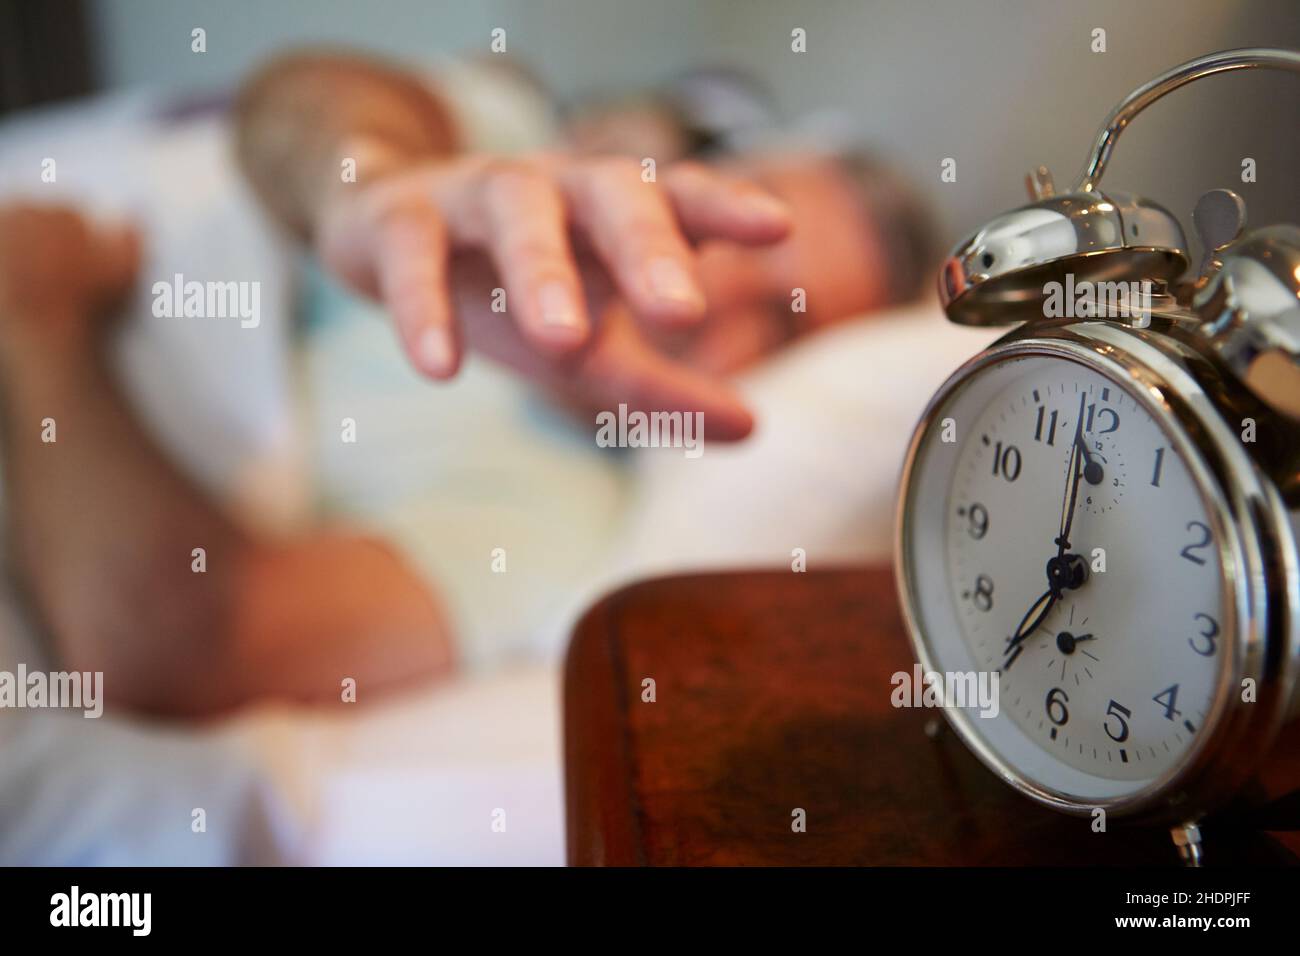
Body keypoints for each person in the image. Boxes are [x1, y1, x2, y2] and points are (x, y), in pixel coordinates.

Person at [0, 49, 934, 718]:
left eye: (785, 318)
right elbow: (288, 98)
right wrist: (365, 184)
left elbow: (171, 646)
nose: (704, 291)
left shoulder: (553, 519)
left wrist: (41, 322)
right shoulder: (510, 152)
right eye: (737, 228)